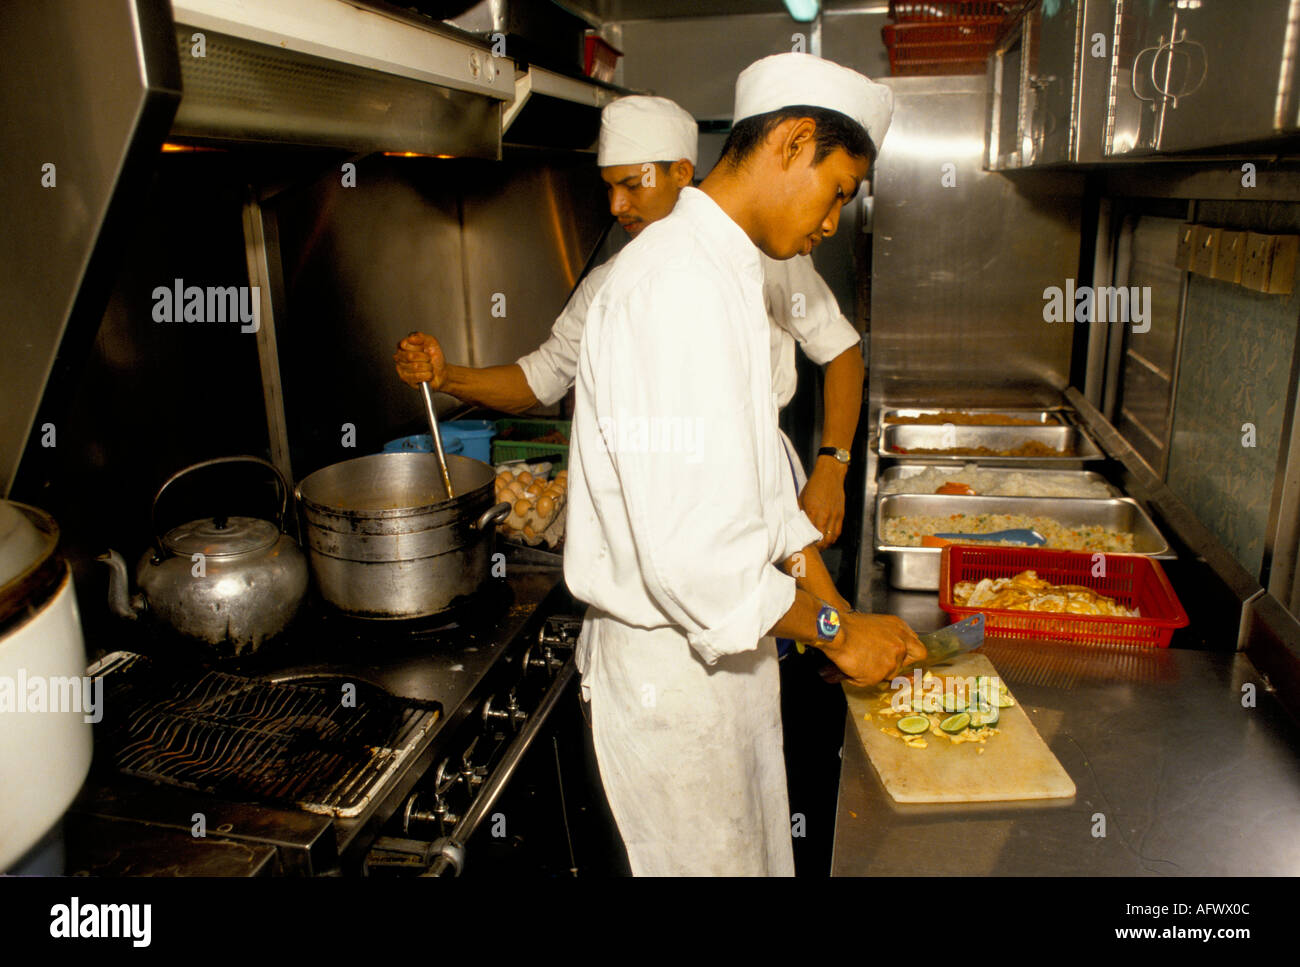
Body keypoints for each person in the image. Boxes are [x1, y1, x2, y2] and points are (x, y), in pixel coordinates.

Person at [564, 52, 925, 877]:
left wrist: (840, 621)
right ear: (794, 141)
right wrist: (836, 631)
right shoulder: (674, 287)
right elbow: (701, 565)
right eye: (837, 190)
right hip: (673, 690)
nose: (834, 221)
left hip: (727, 676)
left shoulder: (726, 271)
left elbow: (764, 492)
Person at [394, 94, 864, 548]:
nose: (617, 205)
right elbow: (540, 380)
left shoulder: (763, 252)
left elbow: (841, 350)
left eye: (633, 185)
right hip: (657, 504)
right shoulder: (609, 283)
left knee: (765, 616)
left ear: (682, 173)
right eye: (609, 188)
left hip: (752, 478)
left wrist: (832, 465)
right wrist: (445, 377)